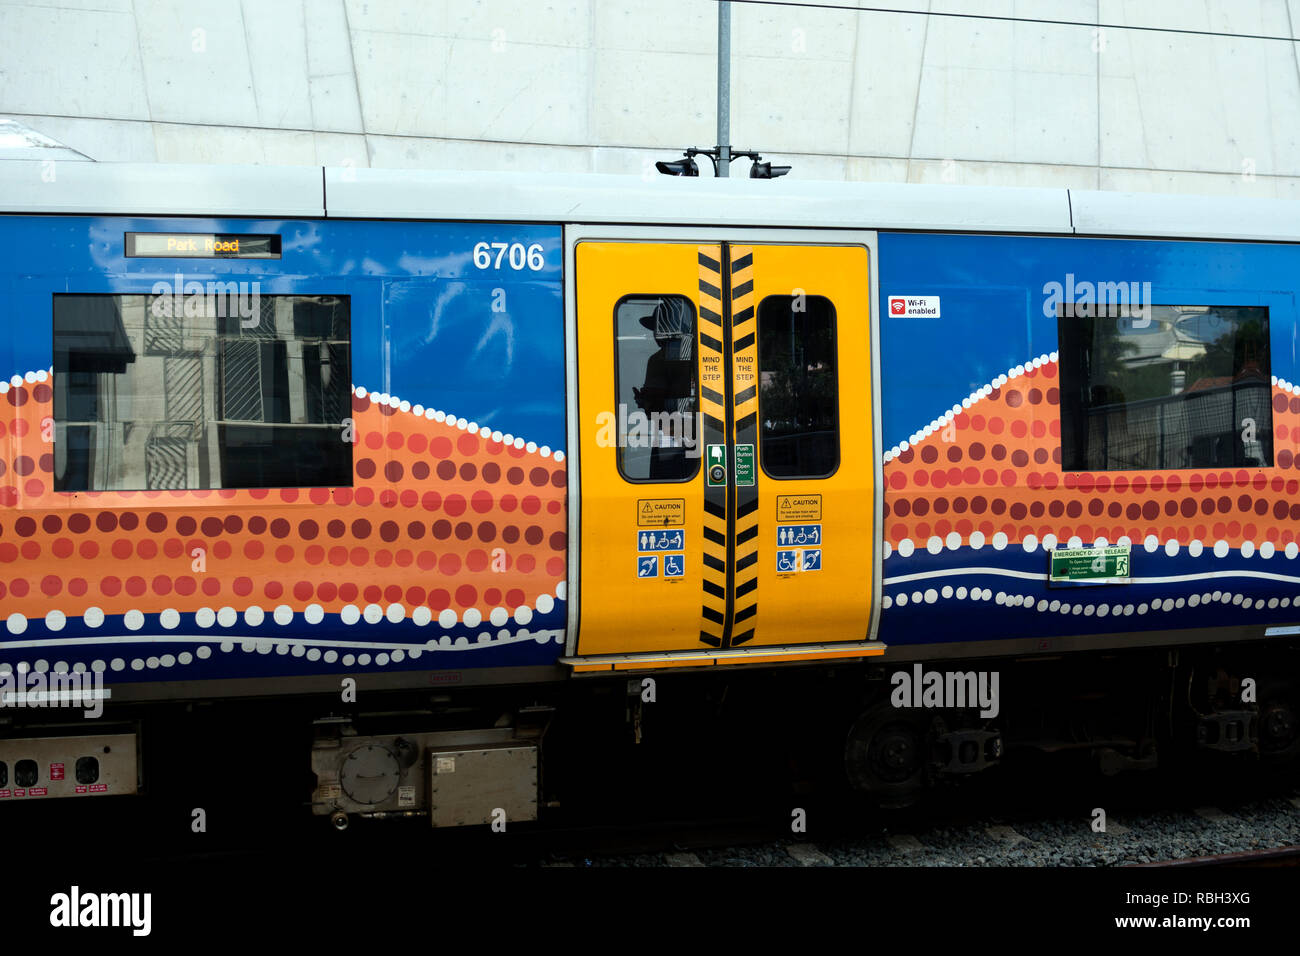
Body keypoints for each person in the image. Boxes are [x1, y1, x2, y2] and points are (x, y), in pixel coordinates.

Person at [633, 298, 694, 480]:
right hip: (699, 435)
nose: (655, 335)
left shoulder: (658, 360)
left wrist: (644, 401)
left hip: (670, 439)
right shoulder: (697, 356)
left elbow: (655, 407)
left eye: (657, 330)